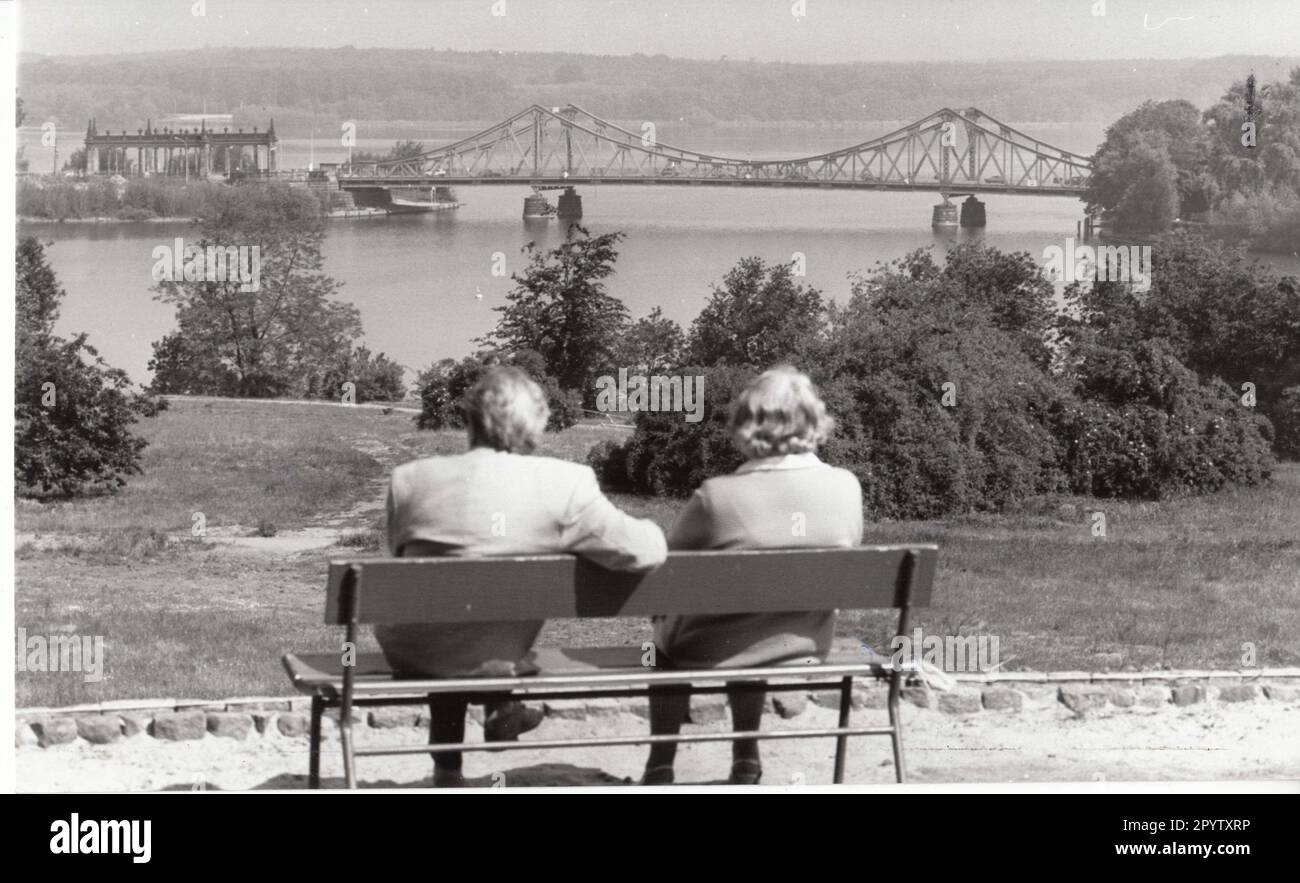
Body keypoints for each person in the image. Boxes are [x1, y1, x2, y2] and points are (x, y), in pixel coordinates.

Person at [377, 365, 667, 787]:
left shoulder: (409, 479)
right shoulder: (565, 483)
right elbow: (644, 551)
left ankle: (449, 768)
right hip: (497, 650)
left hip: (413, 650)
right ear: (535, 424)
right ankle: (500, 708)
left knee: (451, 616)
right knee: (484, 627)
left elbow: (398, 551)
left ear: (471, 419)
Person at [642, 366, 863, 785]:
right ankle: (746, 757)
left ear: (746, 423)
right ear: (814, 420)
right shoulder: (846, 486)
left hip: (706, 647)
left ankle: (660, 763)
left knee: (667, 645)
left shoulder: (717, 496)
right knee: (758, 622)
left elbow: (663, 574)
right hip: (805, 640)